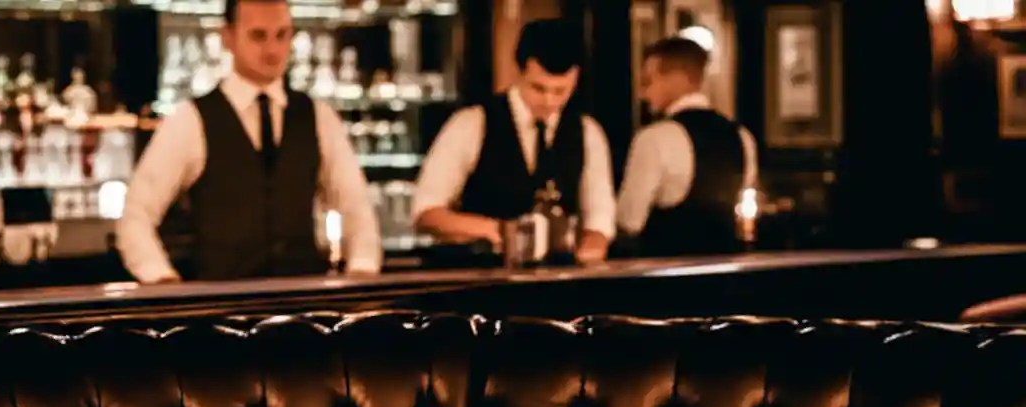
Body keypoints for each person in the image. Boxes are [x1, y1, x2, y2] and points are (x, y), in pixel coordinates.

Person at [117, 0, 381, 282]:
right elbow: (136, 217)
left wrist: (361, 275)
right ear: (227, 37)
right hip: (222, 312)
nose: (272, 49)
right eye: (258, 36)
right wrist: (163, 281)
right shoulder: (191, 119)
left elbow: (357, 208)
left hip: (306, 310)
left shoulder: (318, 116)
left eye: (282, 35)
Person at [411, 19, 616, 264]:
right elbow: (426, 213)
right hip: (481, 282)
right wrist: (499, 231)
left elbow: (600, 219)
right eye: (538, 88)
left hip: (557, 287)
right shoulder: (472, 124)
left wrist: (591, 248)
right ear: (518, 72)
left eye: (561, 91)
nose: (549, 102)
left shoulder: (587, 132)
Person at [615, 36, 758, 257]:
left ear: (676, 79)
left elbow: (628, 222)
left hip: (667, 280)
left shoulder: (655, 138)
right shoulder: (742, 137)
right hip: (728, 280)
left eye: (648, 81)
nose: (643, 94)